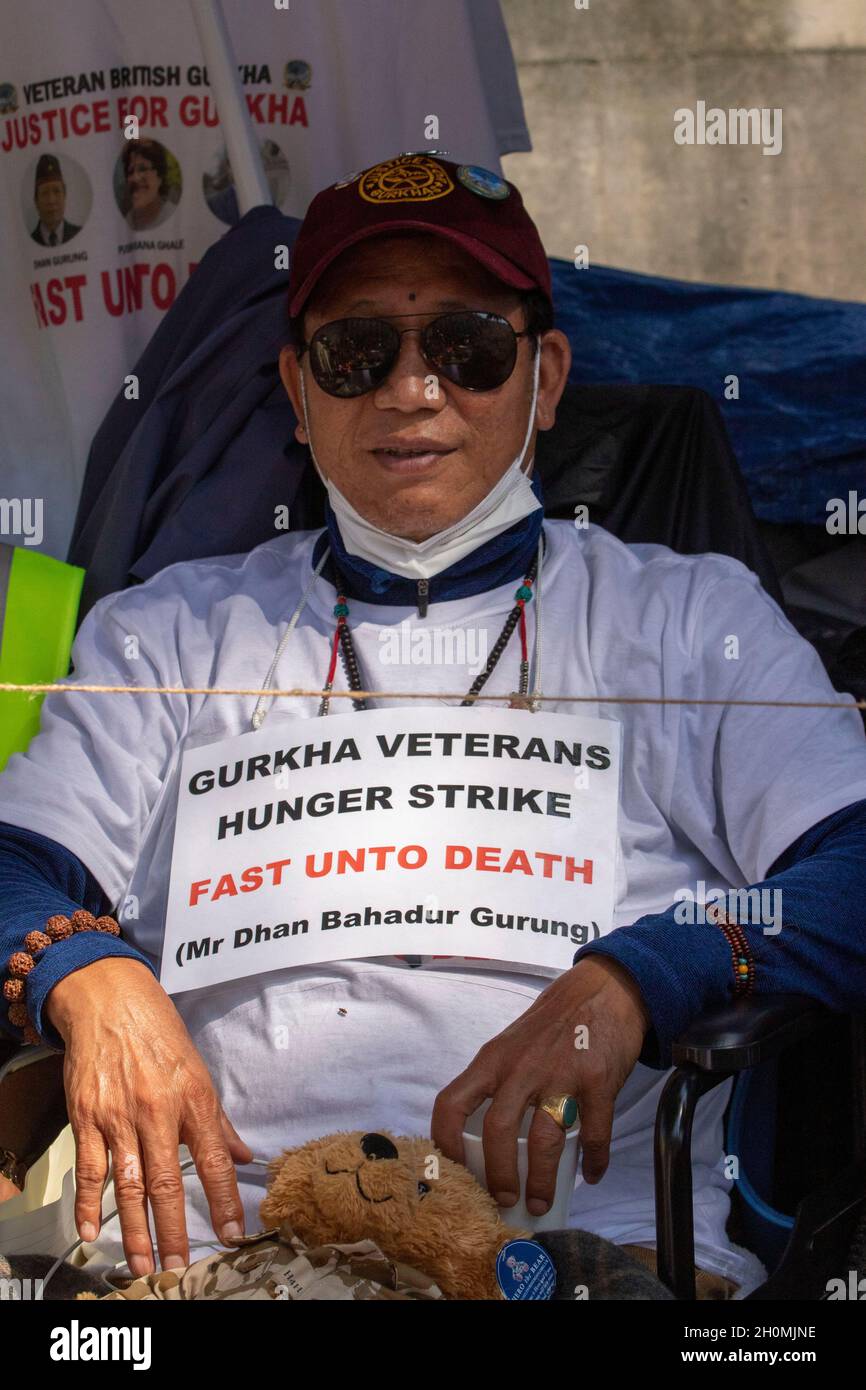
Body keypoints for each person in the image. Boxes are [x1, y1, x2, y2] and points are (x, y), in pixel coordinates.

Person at [1, 151, 866, 1300]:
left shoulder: (684, 616)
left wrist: (645, 974)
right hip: (222, 1257)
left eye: (466, 347)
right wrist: (81, 968)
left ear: (544, 377)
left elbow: (852, 865)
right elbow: (17, 860)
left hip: (576, 1259)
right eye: (357, 353)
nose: (411, 391)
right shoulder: (169, 631)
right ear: (297, 390)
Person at [121, 139, 174, 231]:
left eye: (143, 169)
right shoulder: (127, 221)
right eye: (130, 172)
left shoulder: (173, 217)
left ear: (160, 176)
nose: (135, 178)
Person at [29, 154, 81, 246]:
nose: (51, 201)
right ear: (36, 201)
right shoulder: (27, 242)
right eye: (45, 193)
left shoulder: (80, 234)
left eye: (57, 191)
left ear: (65, 196)